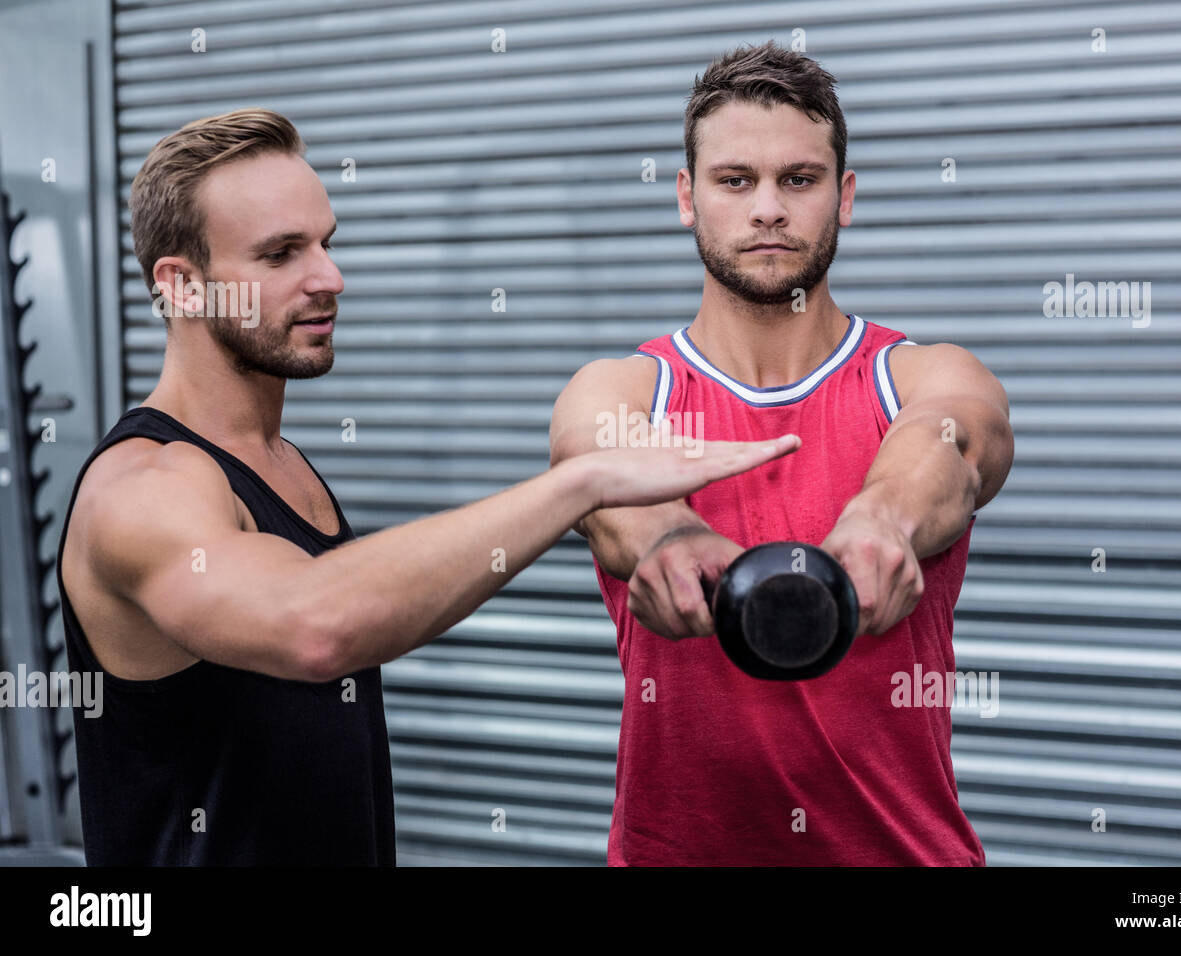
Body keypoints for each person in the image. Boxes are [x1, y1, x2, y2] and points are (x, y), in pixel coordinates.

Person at [55, 107, 798, 866]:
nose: (330, 279)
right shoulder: (145, 485)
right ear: (182, 288)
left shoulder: (277, 460)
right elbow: (315, 624)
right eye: (280, 255)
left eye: (326, 243)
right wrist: (585, 481)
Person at [549, 42, 1014, 865]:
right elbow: (603, 476)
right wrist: (667, 539)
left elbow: (952, 441)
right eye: (737, 181)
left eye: (799, 180)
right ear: (687, 198)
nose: (768, 209)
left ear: (846, 196)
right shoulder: (621, 391)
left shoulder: (922, 375)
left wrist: (882, 517)